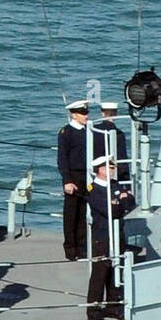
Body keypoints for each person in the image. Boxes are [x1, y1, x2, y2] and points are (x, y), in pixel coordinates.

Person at [86, 155, 135, 320]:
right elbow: (109, 211)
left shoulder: (115, 185)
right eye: (108, 167)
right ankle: (94, 310)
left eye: (113, 167)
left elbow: (130, 203)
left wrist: (120, 201)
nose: (112, 169)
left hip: (117, 234)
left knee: (116, 271)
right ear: (98, 170)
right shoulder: (93, 189)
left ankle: (113, 306)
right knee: (100, 273)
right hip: (103, 235)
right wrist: (119, 202)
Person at [57, 100, 91, 260]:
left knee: (84, 212)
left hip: (87, 175)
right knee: (71, 214)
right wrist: (67, 180)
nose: (86, 116)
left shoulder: (88, 131)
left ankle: (82, 246)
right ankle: (70, 248)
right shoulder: (66, 133)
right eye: (83, 113)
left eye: (86, 112)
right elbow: (62, 158)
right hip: (73, 176)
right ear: (74, 114)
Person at [93, 101, 129, 182]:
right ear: (116, 114)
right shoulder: (119, 134)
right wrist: (127, 184)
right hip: (113, 173)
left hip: (95, 171)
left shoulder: (93, 130)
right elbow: (122, 158)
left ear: (102, 113)